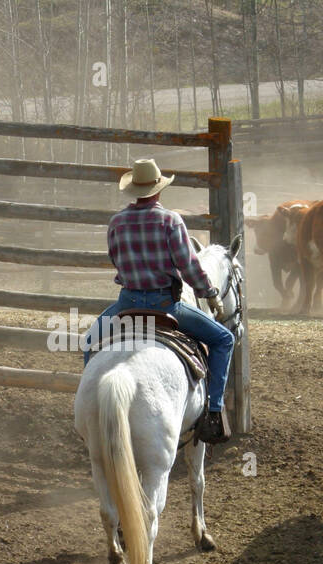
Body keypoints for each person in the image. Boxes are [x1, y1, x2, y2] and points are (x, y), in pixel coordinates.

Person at [81, 158, 234, 444]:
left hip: (126, 306)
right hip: (166, 305)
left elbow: (116, 260)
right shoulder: (170, 221)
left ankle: (90, 414)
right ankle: (214, 411)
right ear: (158, 189)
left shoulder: (117, 222)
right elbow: (188, 266)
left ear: (133, 190)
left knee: (89, 342)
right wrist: (209, 293)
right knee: (223, 339)